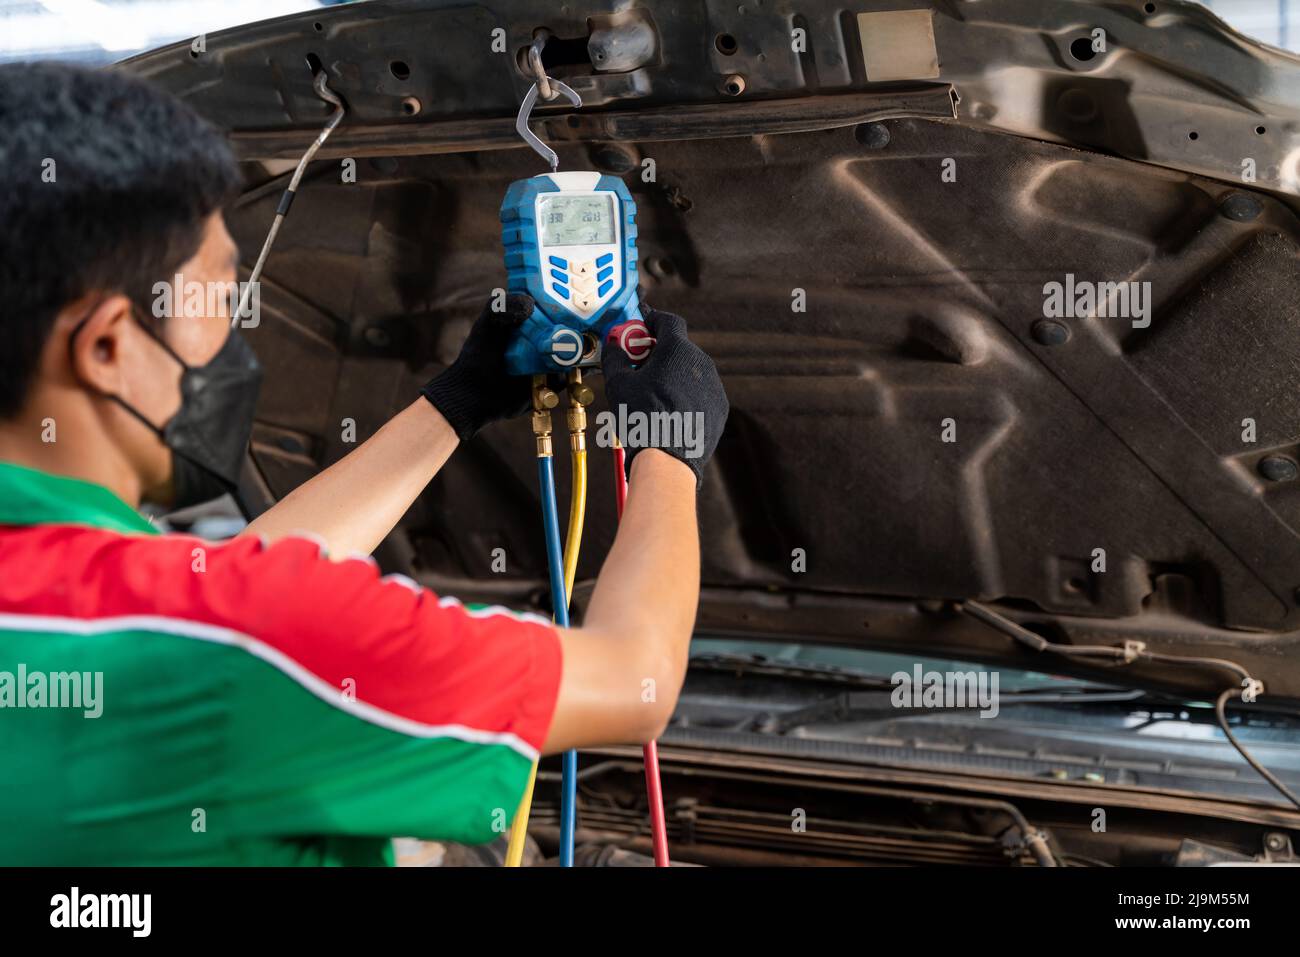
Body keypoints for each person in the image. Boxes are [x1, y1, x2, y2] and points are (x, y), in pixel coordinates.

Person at [0, 62, 728, 865]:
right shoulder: (250, 646)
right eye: (218, 299)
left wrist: (460, 401)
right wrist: (669, 449)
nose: (234, 337)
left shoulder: (138, 616)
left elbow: (219, 587)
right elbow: (635, 681)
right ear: (106, 345)